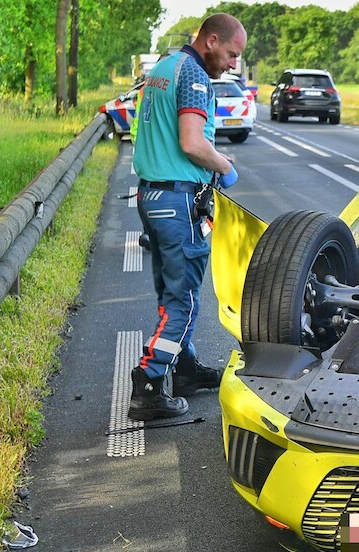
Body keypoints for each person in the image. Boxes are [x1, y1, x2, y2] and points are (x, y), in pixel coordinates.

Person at [129, 13, 247, 420]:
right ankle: (148, 383)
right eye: (232, 54)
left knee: (171, 293)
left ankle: (185, 369)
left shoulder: (164, 67)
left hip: (152, 195)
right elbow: (193, 143)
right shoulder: (194, 77)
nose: (233, 64)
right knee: (185, 301)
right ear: (211, 41)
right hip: (178, 202)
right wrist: (224, 166)